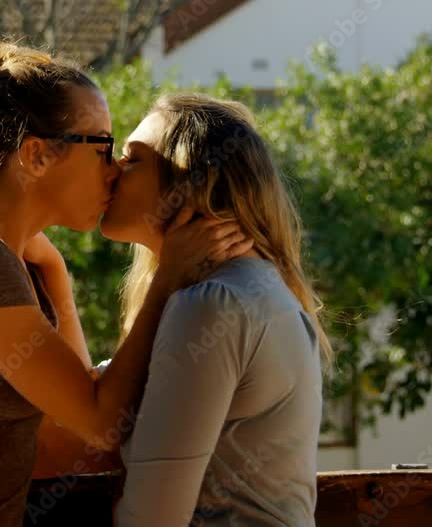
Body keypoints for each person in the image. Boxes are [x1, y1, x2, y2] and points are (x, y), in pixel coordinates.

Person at [0, 38, 253, 526]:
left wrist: (56, 278)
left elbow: (72, 431)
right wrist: (167, 279)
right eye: (102, 146)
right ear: (36, 155)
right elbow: (100, 424)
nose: (116, 170)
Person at [101, 94, 333, 526]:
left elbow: (151, 518)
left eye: (132, 159)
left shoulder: (213, 305)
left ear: (190, 184)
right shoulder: (254, 290)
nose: (111, 171)